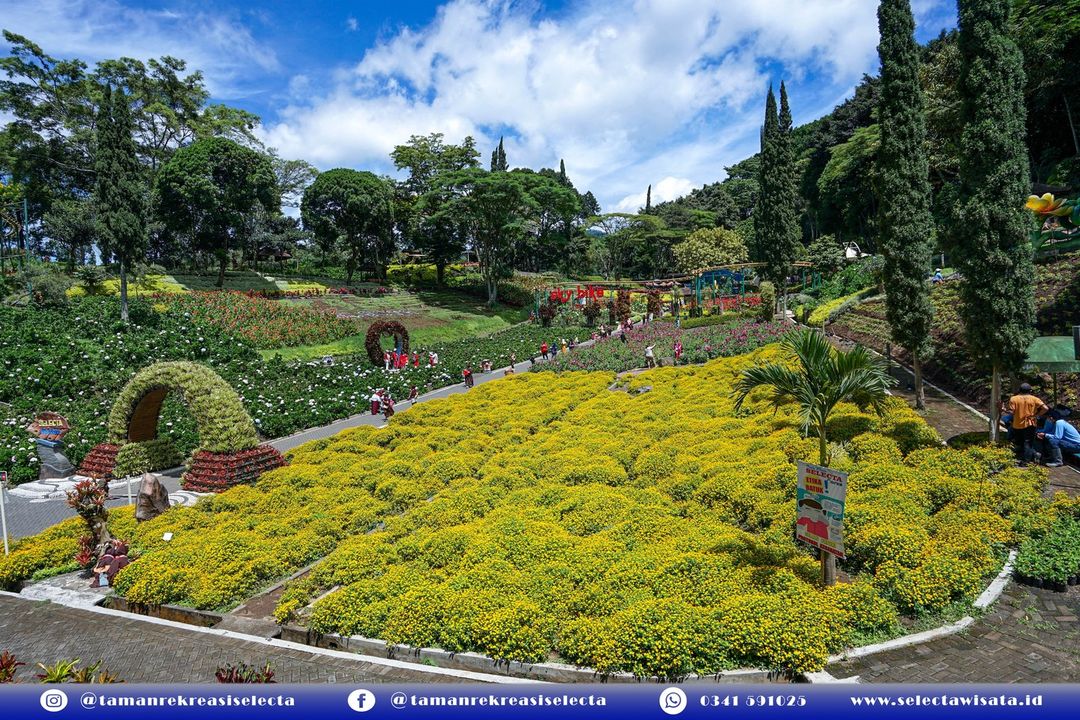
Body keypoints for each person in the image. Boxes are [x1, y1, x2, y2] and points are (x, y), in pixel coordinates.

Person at [1007, 383, 1049, 466]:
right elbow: (1045, 408)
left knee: (1021, 442)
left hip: (1017, 424)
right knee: (1028, 442)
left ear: (1019, 390)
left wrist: (1003, 409)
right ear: (1030, 391)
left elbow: (1012, 412)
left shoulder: (1014, 399)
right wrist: (1037, 415)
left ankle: (1027, 460)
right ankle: (1031, 457)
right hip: (1031, 424)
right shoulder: (1034, 399)